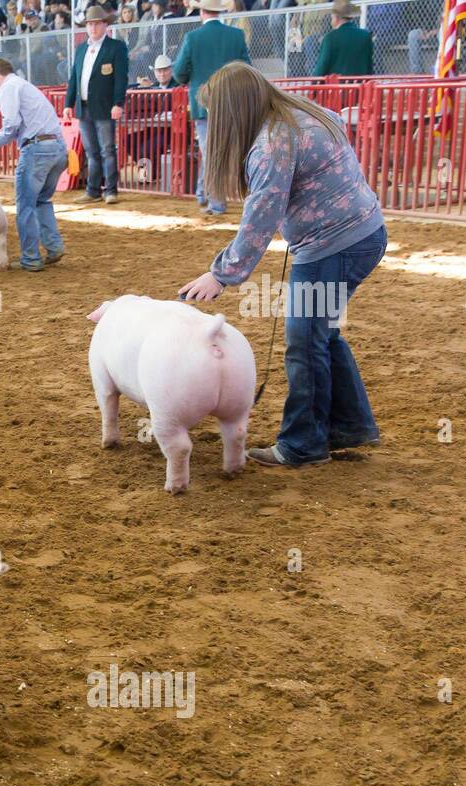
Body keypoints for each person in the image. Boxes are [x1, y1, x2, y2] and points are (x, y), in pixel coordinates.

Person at [178, 63, 385, 469]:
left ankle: (303, 444)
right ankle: (348, 426)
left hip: (333, 245)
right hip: (362, 233)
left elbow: (262, 216)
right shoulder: (304, 112)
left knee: (305, 341)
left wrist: (221, 274)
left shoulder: (271, 142)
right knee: (321, 334)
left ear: (233, 109)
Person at [0, 59, 65, 271]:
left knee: (26, 206)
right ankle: (54, 246)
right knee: (42, 200)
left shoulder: (8, 88)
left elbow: (10, 127)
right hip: (57, 148)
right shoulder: (24, 85)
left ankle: (31, 258)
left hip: (37, 149)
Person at [172, 0, 249, 216]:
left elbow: (178, 73)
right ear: (219, 12)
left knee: (210, 151)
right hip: (231, 104)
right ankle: (202, 193)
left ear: (202, 12)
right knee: (219, 151)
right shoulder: (236, 35)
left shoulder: (192, 38)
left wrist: (191, 78)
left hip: (203, 104)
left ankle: (215, 202)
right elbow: (247, 68)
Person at [65, 5, 129, 204]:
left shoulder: (116, 47)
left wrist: (118, 103)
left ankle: (111, 190)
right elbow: (74, 78)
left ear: (105, 25)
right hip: (83, 106)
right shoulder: (81, 49)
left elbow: (121, 78)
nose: (92, 28)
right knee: (92, 152)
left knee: (107, 150)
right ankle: (93, 191)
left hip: (104, 106)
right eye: (90, 24)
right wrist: (68, 103)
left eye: (96, 24)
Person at [314, 0, 374, 77]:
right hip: (360, 86)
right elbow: (369, 66)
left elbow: (322, 66)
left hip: (337, 87)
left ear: (336, 17)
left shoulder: (330, 37)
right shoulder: (366, 35)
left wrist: (314, 84)